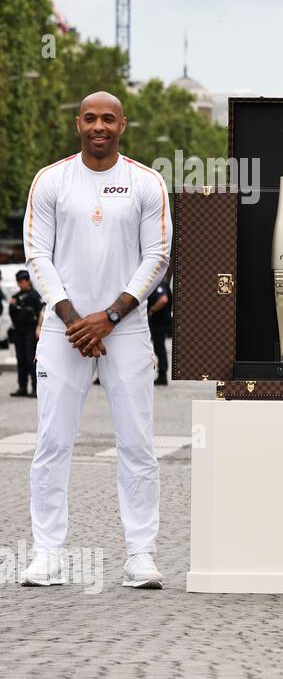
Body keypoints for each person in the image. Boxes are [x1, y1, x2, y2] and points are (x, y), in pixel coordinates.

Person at [19, 91, 172, 588]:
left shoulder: (147, 182)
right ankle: (47, 554)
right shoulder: (51, 180)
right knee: (52, 442)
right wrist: (73, 319)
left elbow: (158, 257)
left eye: (109, 118)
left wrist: (108, 316)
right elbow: (38, 254)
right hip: (63, 332)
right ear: (77, 124)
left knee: (138, 445)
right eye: (90, 118)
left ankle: (141, 555)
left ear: (123, 124)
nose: (99, 126)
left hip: (125, 330)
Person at [8, 269, 43, 397]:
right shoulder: (16, 297)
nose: (20, 284)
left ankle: (35, 388)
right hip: (19, 331)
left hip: (30, 331)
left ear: (27, 281)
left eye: (22, 281)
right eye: (18, 281)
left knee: (31, 360)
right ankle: (22, 387)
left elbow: (41, 312)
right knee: (21, 359)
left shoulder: (35, 295)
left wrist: (38, 328)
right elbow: (12, 314)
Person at [146, 278, 171, 386]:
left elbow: (163, 299)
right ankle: (161, 374)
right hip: (158, 322)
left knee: (159, 347)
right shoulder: (158, 283)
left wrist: (151, 310)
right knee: (158, 347)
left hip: (159, 322)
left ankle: (162, 375)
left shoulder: (157, 283)